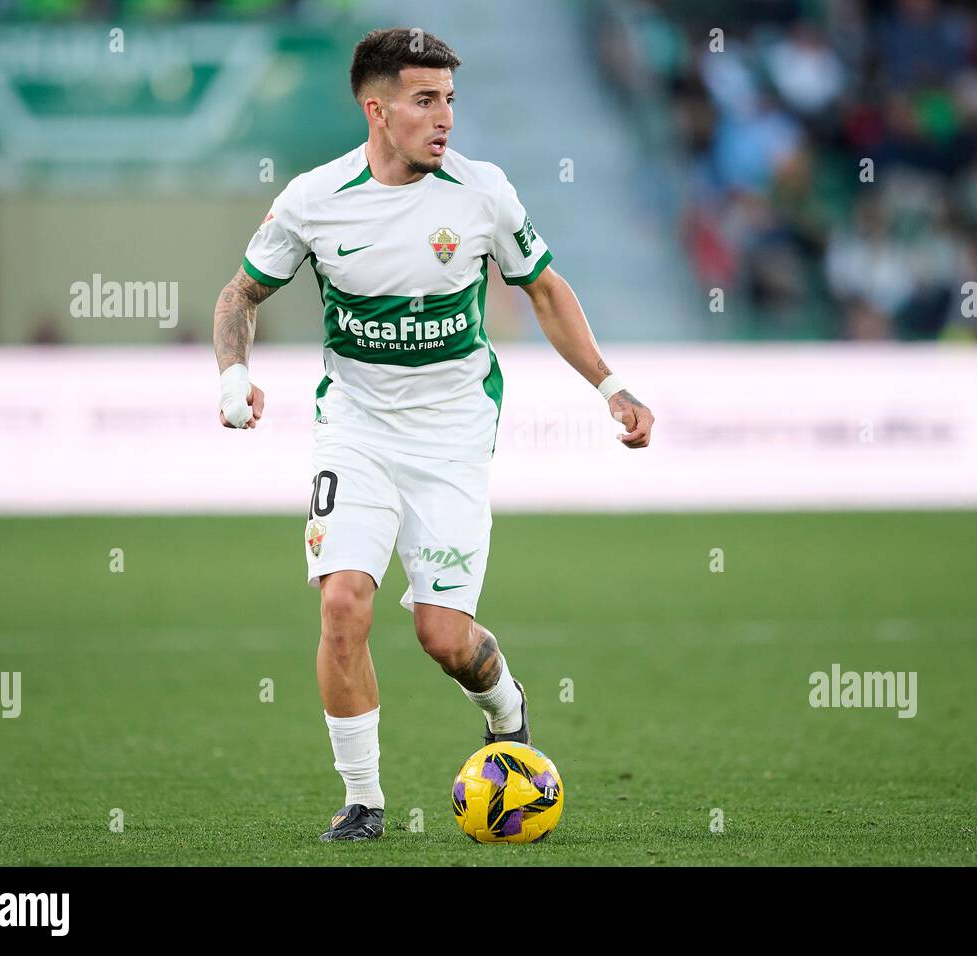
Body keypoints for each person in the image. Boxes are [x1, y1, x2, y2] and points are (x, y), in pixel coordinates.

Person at [211, 27, 654, 842]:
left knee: (441, 636)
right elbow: (239, 295)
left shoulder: (481, 193)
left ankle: (506, 708)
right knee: (342, 604)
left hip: (452, 432)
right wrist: (233, 374)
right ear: (375, 109)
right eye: (425, 100)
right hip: (355, 428)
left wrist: (609, 383)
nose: (444, 116)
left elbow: (546, 289)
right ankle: (363, 802)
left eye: (450, 99)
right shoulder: (312, 199)